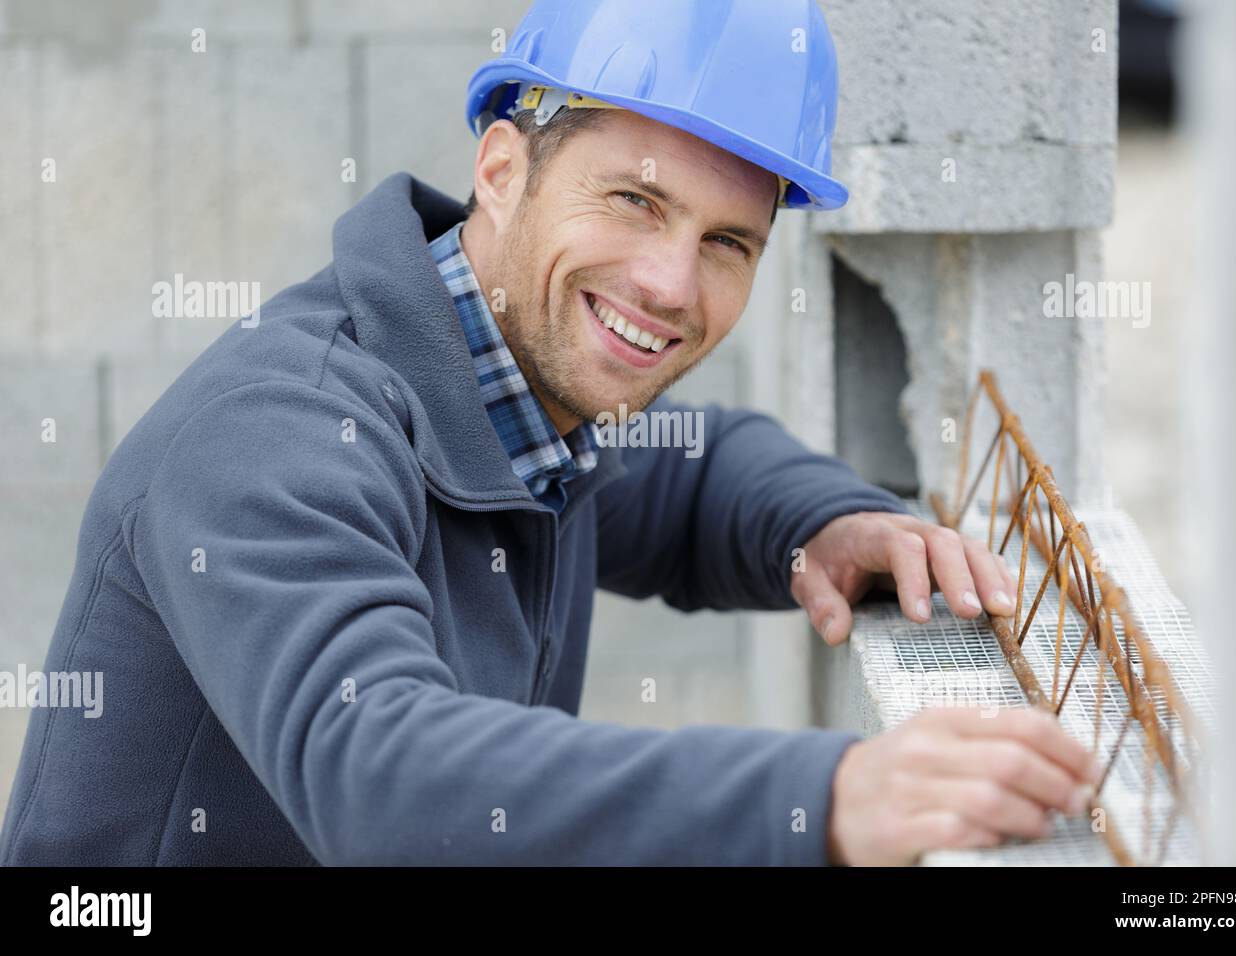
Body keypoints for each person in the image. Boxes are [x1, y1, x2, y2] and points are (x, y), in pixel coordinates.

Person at [0, 0, 1099, 866]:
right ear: (500, 169)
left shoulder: (516, 392)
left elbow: (690, 473)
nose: (671, 284)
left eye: (728, 242)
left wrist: (829, 521)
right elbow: (380, 774)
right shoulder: (278, 433)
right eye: (633, 200)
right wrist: (826, 801)